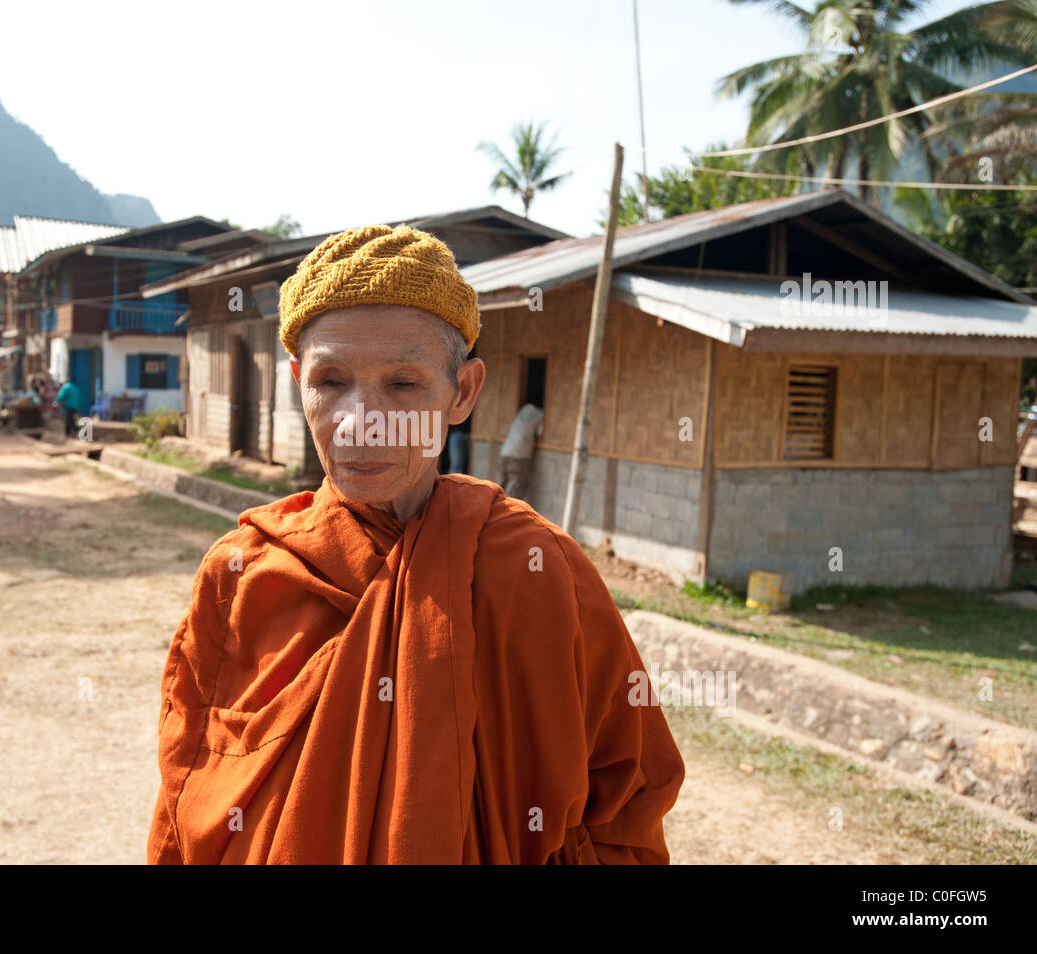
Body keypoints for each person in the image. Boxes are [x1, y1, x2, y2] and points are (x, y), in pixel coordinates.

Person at [146, 225, 684, 865]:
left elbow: (629, 796)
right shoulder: (243, 576)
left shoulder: (540, 572)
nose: (360, 420)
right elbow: (189, 786)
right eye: (331, 382)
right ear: (298, 382)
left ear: (462, 392)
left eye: (403, 384)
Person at [497, 402, 544, 500]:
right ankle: (509, 514)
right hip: (520, 455)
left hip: (505, 452)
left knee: (500, 487)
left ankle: (494, 512)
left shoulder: (524, 409)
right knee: (515, 491)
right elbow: (540, 433)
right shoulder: (540, 414)